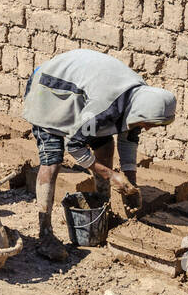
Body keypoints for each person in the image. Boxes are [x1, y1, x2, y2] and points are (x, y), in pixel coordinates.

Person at [22, 49, 177, 261]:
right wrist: (111, 175)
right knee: (52, 160)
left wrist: (130, 184)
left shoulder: (140, 98)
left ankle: (102, 211)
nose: (148, 129)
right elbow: (75, 146)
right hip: (49, 92)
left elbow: (128, 139)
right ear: (143, 114)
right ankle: (45, 234)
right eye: (149, 124)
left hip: (80, 100)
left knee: (104, 146)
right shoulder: (107, 107)